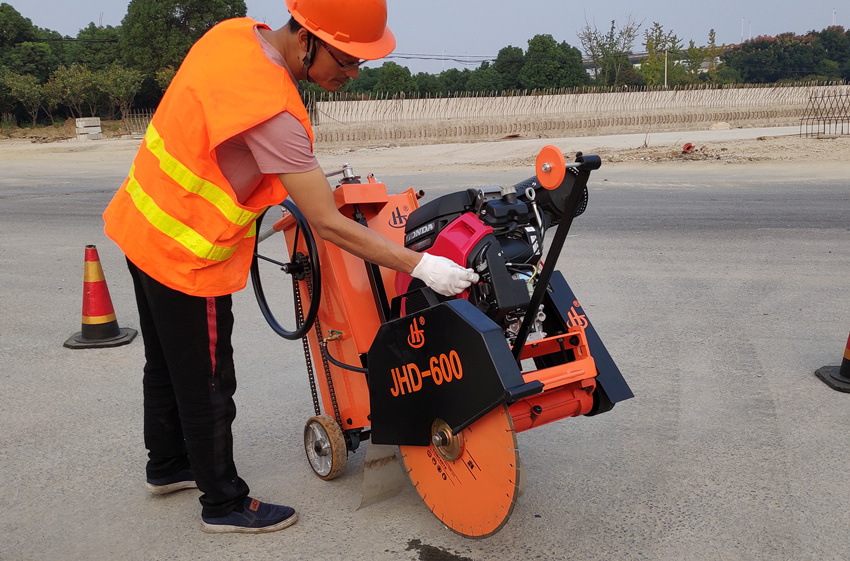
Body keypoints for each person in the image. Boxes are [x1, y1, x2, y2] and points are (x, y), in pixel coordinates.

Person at [102, 0, 478, 535]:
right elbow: (326, 223)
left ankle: (166, 466)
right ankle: (223, 502)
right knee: (209, 378)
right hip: (186, 251)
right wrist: (422, 266)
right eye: (346, 61)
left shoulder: (234, 35)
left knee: (165, 364)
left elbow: (228, 146)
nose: (351, 75)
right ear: (307, 39)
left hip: (143, 221)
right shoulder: (274, 111)